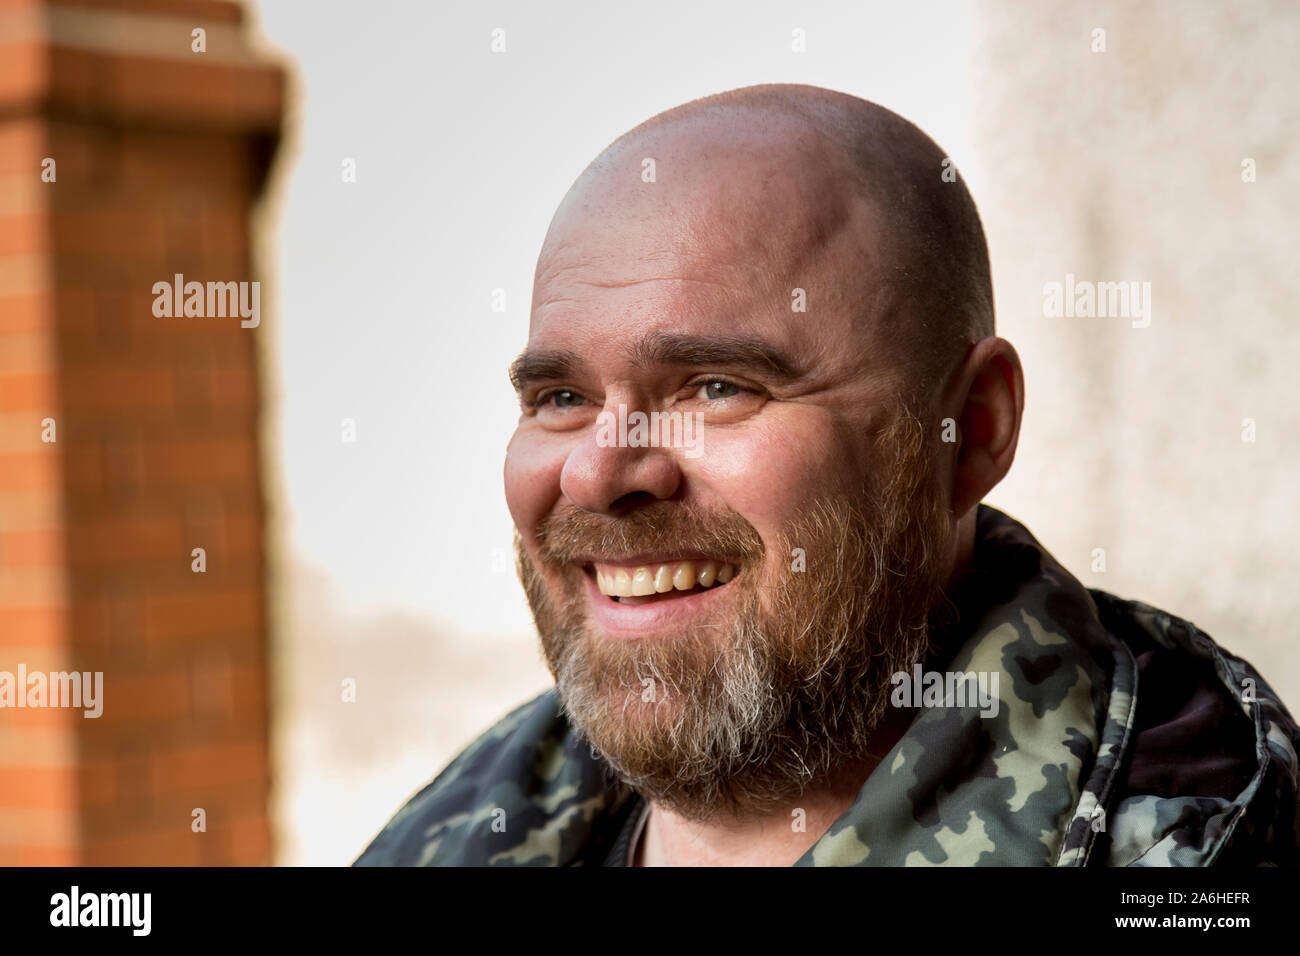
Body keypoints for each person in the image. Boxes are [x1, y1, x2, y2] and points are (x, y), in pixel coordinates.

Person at [355, 83, 1299, 867]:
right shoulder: (467, 822)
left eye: (716, 386)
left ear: (970, 430)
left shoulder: (1196, 857)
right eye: (558, 397)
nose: (600, 472)